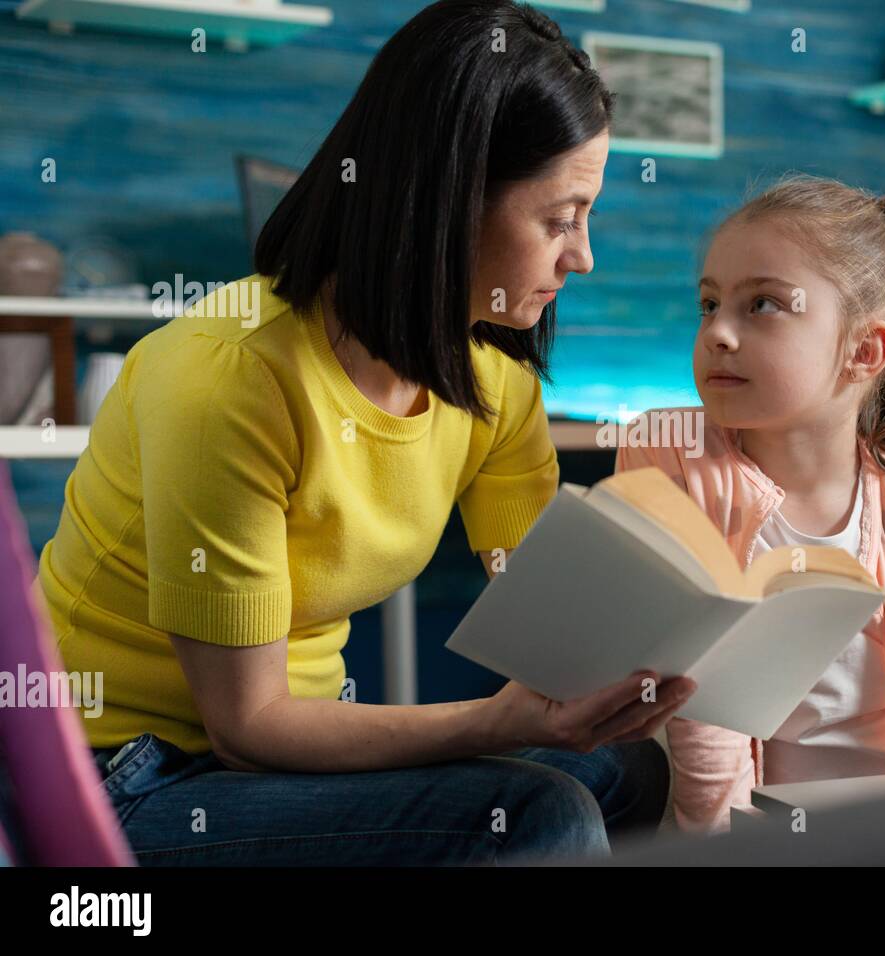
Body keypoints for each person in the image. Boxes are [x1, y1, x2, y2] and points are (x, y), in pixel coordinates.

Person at [37, 0, 694, 865]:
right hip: (123, 777)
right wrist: (498, 722)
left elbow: (544, 619)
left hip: (279, 760)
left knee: (633, 770)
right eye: (559, 217)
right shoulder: (229, 379)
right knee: (546, 816)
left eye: (589, 216)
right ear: (451, 199)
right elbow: (248, 727)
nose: (582, 255)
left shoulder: (489, 378)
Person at [615, 174, 885, 833]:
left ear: (865, 351)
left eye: (763, 306)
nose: (719, 331)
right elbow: (700, 702)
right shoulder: (675, 461)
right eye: (709, 303)